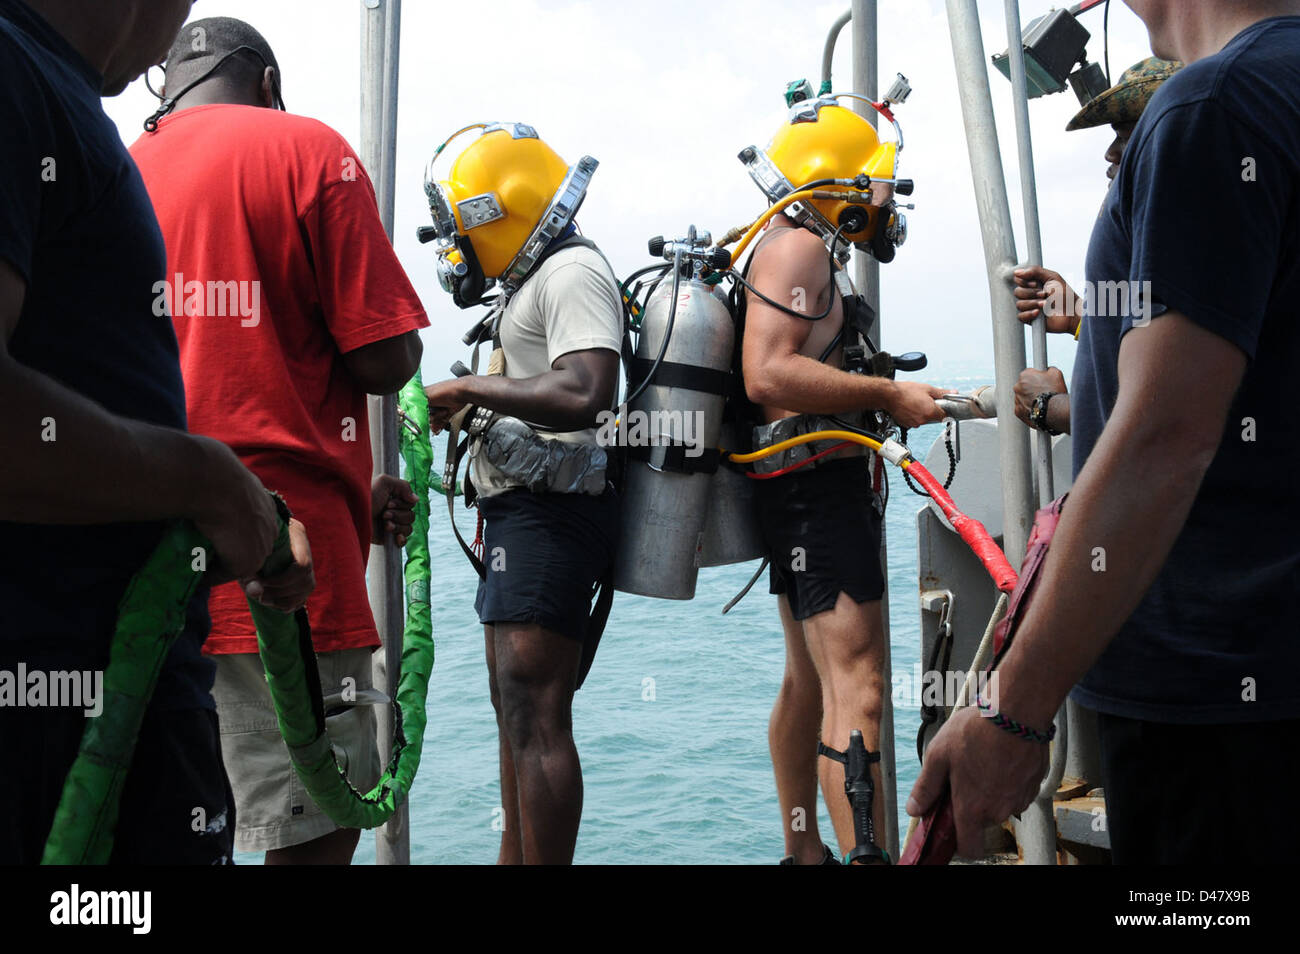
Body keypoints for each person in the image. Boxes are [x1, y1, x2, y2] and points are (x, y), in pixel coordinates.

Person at [908, 0, 1300, 864]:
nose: (1121, 154)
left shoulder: (1215, 106)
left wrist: (1014, 709)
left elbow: (1166, 433)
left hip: (1213, 689)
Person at [0, 0, 313, 865]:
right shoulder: (18, 75)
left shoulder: (72, 109)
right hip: (70, 722)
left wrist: (223, 495)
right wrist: (205, 481)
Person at [129, 17, 428, 865]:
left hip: (149, 573)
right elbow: (386, 357)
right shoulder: (307, 151)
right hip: (293, 576)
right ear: (266, 83)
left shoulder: (122, 165)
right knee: (313, 836)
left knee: (168, 833)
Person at [735, 100, 948, 863]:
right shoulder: (798, 251)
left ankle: (805, 853)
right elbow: (768, 373)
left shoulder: (781, 244)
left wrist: (878, 383)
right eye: (878, 187)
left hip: (798, 491)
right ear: (839, 184)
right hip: (817, 494)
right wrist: (887, 396)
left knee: (810, 682)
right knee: (857, 688)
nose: (885, 205)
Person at [421, 123, 622, 865]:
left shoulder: (571, 273)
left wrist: (469, 385)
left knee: (536, 715)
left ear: (495, 212)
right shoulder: (531, 284)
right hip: (521, 518)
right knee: (516, 711)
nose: (454, 252)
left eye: (457, 231)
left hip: (554, 517)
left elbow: (587, 391)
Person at [1012, 58, 1182, 438]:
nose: (1110, 153)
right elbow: (1153, 323)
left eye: (1126, 136)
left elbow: (1166, 419)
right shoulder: (1171, 240)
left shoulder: (1192, 244)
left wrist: (1050, 408)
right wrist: (1080, 317)